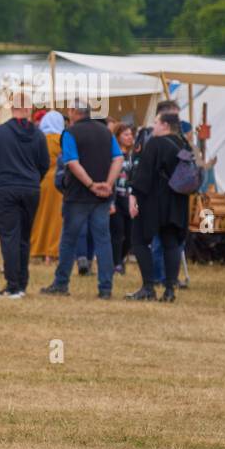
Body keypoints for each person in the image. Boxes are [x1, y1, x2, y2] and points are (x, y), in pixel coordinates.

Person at [39, 103, 123, 299]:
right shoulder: (106, 132)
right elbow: (118, 158)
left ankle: (61, 284)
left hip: (78, 195)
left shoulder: (70, 133)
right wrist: (108, 184)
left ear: (73, 113)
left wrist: (91, 184)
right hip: (102, 196)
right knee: (103, 241)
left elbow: (72, 162)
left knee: (69, 240)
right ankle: (105, 288)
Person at [0, 98, 51, 298]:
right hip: (30, 188)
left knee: (9, 236)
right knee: (23, 237)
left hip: (6, 187)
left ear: (12, 108)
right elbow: (44, 163)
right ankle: (22, 283)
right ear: (29, 109)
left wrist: (1, 162)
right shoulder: (38, 134)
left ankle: (12, 285)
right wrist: (34, 177)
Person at [126, 104, 191, 302]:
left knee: (138, 241)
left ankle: (148, 287)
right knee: (171, 244)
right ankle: (170, 290)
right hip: (177, 202)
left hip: (153, 201)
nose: (153, 126)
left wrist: (134, 196)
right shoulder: (184, 145)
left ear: (164, 125)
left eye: (155, 122)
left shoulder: (155, 143)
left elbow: (143, 176)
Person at [29, 110, 66, 263]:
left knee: (39, 216)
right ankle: (52, 252)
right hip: (59, 182)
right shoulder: (62, 139)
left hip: (40, 181)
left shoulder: (37, 139)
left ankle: (36, 249)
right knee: (56, 218)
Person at [109, 123, 135, 274]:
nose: (129, 137)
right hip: (116, 196)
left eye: (131, 134)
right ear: (118, 137)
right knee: (117, 232)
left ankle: (121, 257)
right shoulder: (114, 155)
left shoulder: (134, 155)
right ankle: (116, 263)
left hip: (130, 198)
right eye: (126, 134)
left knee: (130, 234)